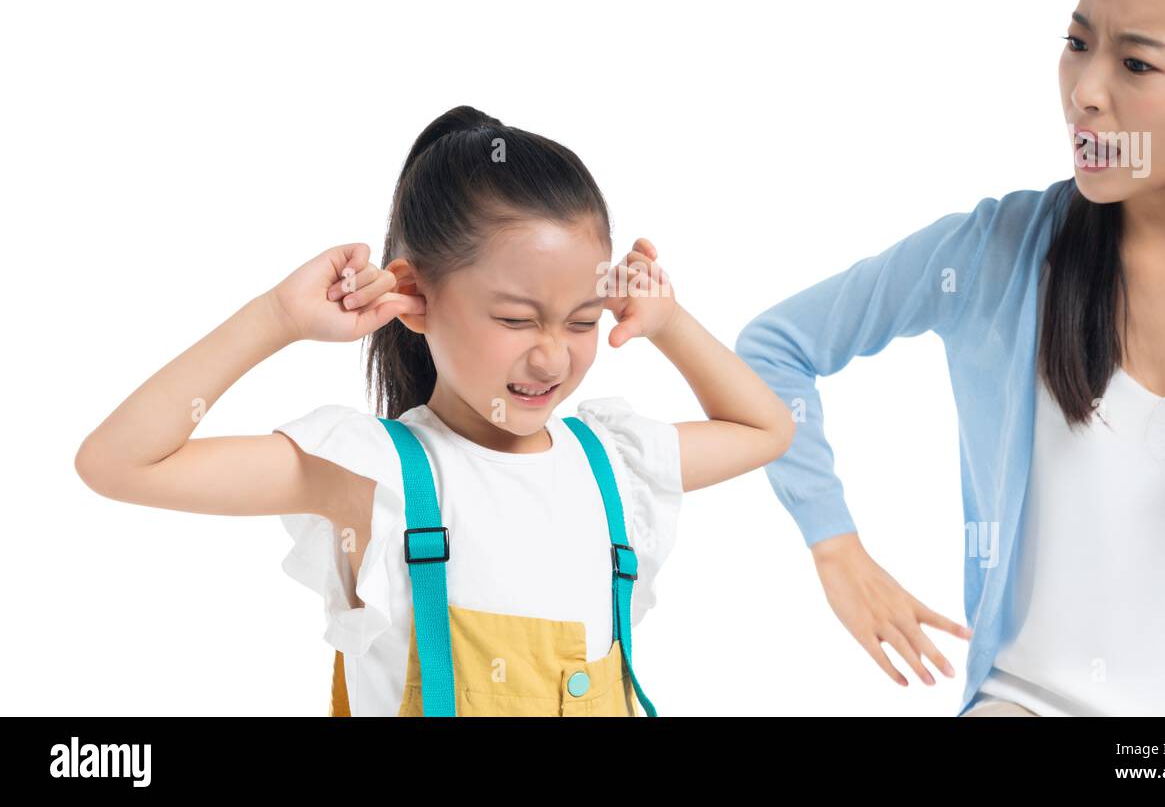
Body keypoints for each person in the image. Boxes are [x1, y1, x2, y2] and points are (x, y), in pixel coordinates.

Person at [735, 0, 1165, 716]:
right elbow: (776, 348)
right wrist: (837, 550)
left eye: (1136, 63)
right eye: (1078, 44)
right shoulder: (997, 254)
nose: (1086, 92)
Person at [75, 105, 795, 716]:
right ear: (415, 297)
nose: (551, 356)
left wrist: (670, 321)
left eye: (582, 320)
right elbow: (119, 461)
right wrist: (276, 318)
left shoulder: (612, 466)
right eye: (516, 320)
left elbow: (768, 426)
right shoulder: (373, 475)